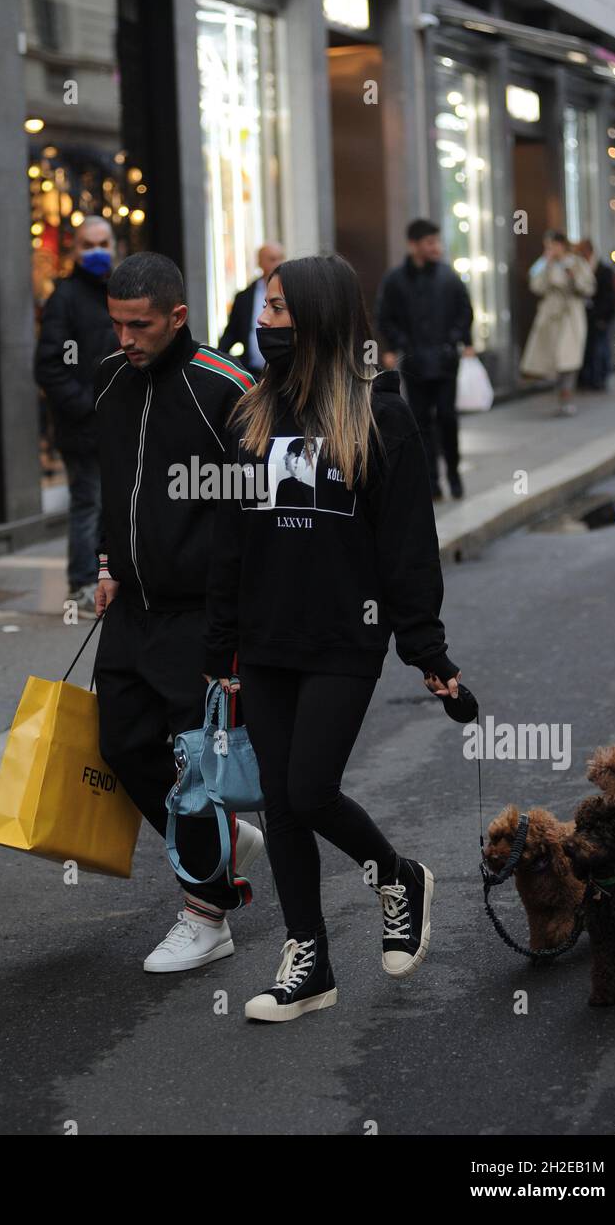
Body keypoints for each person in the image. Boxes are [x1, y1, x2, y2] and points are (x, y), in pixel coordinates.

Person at [205, 254, 463, 1023]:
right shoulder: (251, 414)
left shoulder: (379, 415)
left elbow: (407, 547)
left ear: (316, 317)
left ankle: (394, 875)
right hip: (266, 637)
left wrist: (425, 649)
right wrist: (221, 649)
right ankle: (307, 960)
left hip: (344, 638)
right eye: (264, 308)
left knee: (307, 788)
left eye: (278, 310)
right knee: (280, 807)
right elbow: (228, 544)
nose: (264, 321)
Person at [91, 252, 265, 973]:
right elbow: (113, 488)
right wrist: (105, 564)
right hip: (132, 608)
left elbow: (255, 512)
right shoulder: (109, 378)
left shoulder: (229, 387)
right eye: (117, 324)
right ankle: (220, 838)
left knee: (194, 766)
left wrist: (241, 622)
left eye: (140, 325)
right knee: (122, 746)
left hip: (202, 615)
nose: (126, 339)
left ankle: (207, 913)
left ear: (178, 317)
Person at [34, 217, 120, 615]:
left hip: (118, 425)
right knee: (89, 503)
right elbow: (48, 365)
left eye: (103, 242)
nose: (97, 250)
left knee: (113, 503)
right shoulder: (64, 298)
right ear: (75, 249)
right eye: (89, 244)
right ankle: (83, 585)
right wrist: (89, 405)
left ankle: (107, 580)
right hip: (82, 428)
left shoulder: (120, 292)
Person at [376, 220, 473, 500]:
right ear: (413, 245)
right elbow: (384, 317)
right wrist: (399, 345)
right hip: (415, 364)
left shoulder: (448, 276)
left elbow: (465, 311)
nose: (436, 248)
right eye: (430, 242)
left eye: (437, 242)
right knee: (420, 424)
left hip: (445, 363)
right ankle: (432, 482)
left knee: (447, 418)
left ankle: (453, 476)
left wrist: (457, 340)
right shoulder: (395, 280)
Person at [520, 230, 596, 415]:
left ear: (561, 245)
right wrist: (546, 265)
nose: (550, 249)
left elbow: (588, 287)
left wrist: (573, 277)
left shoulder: (576, 262)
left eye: (552, 245)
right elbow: (536, 286)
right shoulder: (545, 264)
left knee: (568, 359)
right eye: (547, 246)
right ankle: (561, 397)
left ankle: (567, 398)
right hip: (551, 316)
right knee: (554, 359)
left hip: (570, 316)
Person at [218, 242, 285, 378]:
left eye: (281, 258)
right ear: (260, 262)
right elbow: (231, 333)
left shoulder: (292, 292)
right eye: (272, 259)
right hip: (253, 373)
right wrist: (218, 362)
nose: (278, 264)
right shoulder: (245, 296)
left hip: (284, 372)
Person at [576, 239, 615, 392]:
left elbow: (609, 297)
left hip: (600, 316)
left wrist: (603, 317)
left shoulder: (603, 270)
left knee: (601, 348)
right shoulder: (580, 269)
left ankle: (600, 378)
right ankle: (588, 379)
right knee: (588, 349)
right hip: (586, 316)